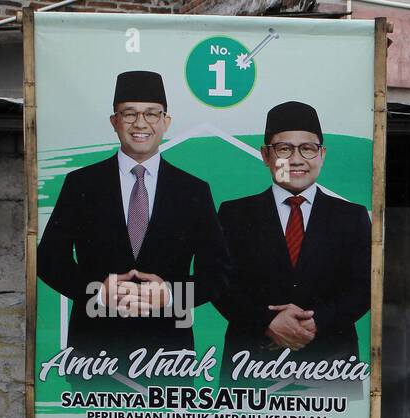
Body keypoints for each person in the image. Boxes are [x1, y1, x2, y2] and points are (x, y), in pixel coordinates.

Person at [36, 70, 228, 362]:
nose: (140, 123)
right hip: (94, 352)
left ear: (166, 122)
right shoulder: (81, 184)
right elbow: (48, 259)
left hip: (169, 354)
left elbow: (217, 274)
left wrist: (171, 296)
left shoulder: (193, 191)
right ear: (114, 122)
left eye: (152, 114)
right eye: (129, 114)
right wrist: (98, 294)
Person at [213, 101, 372, 376]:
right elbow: (218, 282)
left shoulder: (352, 216)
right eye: (284, 149)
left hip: (330, 364)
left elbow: (365, 285)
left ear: (322, 154)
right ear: (265, 155)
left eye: (307, 148)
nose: (296, 160)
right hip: (251, 363)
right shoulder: (234, 213)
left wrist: (317, 322)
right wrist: (267, 322)